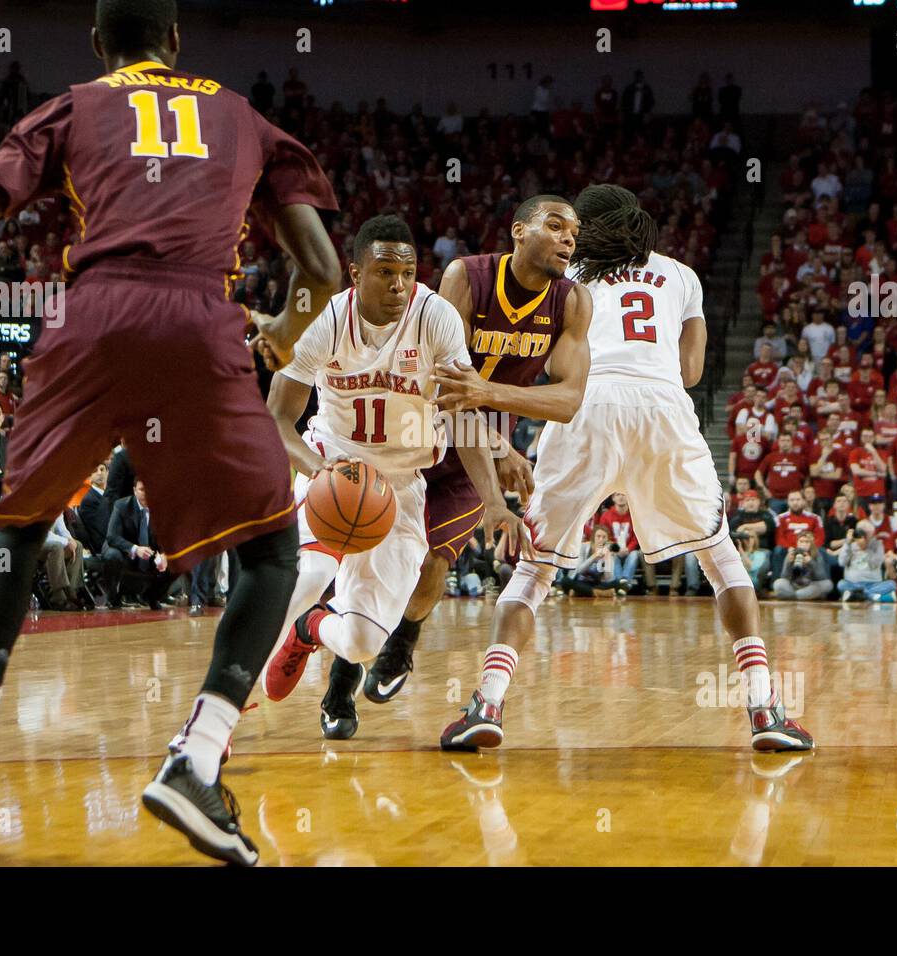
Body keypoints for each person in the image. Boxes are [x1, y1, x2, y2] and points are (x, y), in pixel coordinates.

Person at [0, 0, 340, 867]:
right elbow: (324, 270)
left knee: (21, 524)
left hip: (94, 314)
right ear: (178, 40)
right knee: (270, 554)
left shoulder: (72, 104)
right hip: (197, 315)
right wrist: (288, 336)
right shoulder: (241, 114)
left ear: (100, 45)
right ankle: (195, 755)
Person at [440, 185, 812, 753]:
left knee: (536, 569)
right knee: (719, 558)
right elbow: (690, 370)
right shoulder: (683, 274)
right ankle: (764, 709)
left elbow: (542, 357)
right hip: (662, 408)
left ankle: (488, 702)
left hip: (587, 406)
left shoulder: (565, 280)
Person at [325, 194, 593, 736]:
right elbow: (441, 380)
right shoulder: (466, 277)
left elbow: (567, 401)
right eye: (556, 226)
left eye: (575, 232)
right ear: (518, 231)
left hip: (480, 447)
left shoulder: (572, 301)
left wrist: (497, 440)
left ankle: (402, 643)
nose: (569, 239)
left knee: (432, 567)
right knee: (373, 564)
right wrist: (499, 445)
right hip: (413, 430)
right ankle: (340, 678)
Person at [257, 215, 523, 742]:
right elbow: (277, 418)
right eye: (384, 272)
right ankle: (219, 716)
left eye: (406, 271)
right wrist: (323, 471)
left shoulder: (436, 317)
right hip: (332, 461)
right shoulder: (326, 320)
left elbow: (465, 414)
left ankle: (312, 627)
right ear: (356, 274)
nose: (398, 283)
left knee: (360, 644)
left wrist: (493, 500)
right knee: (306, 575)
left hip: (401, 484)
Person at [837, 522, 895, 602]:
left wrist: (866, 549)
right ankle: (872, 596)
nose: (864, 537)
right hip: (853, 583)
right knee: (841, 584)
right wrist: (847, 543)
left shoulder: (877, 545)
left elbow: (875, 564)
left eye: (867, 534)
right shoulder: (850, 546)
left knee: (892, 584)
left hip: (873, 584)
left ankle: (856, 595)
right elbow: (841, 562)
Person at [40, 511, 86, 611]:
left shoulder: (57, 502)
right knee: (57, 546)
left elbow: (61, 529)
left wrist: (70, 539)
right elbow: (42, 533)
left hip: (48, 544)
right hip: (30, 545)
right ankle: (58, 596)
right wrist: (66, 541)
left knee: (77, 546)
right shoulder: (37, 501)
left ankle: (71, 592)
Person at [560, 527, 625, 597]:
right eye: (598, 536)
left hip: (596, 583)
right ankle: (598, 593)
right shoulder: (583, 547)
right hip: (581, 581)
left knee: (617, 584)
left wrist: (607, 560)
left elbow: (608, 578)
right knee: (565, 581)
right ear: (593, 538)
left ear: (607, 539)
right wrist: (594, 556)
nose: (601, 539)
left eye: (604, 537)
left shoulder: (608, 550)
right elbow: (579, 570)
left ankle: (580, 592)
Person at [772, 530, 832, 601]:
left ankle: (794, 596)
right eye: (801, 541)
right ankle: (800, 596)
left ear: (811, 543)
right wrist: (789, 563)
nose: (804, 544)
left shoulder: (817, 555)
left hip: (811, 586)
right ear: (797, 543)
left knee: (828, 584)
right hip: (794, 585)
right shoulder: (792, 554)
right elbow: (784, 576)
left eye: (807, 542)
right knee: (778, 583)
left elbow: (822, 577)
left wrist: (811, 562)